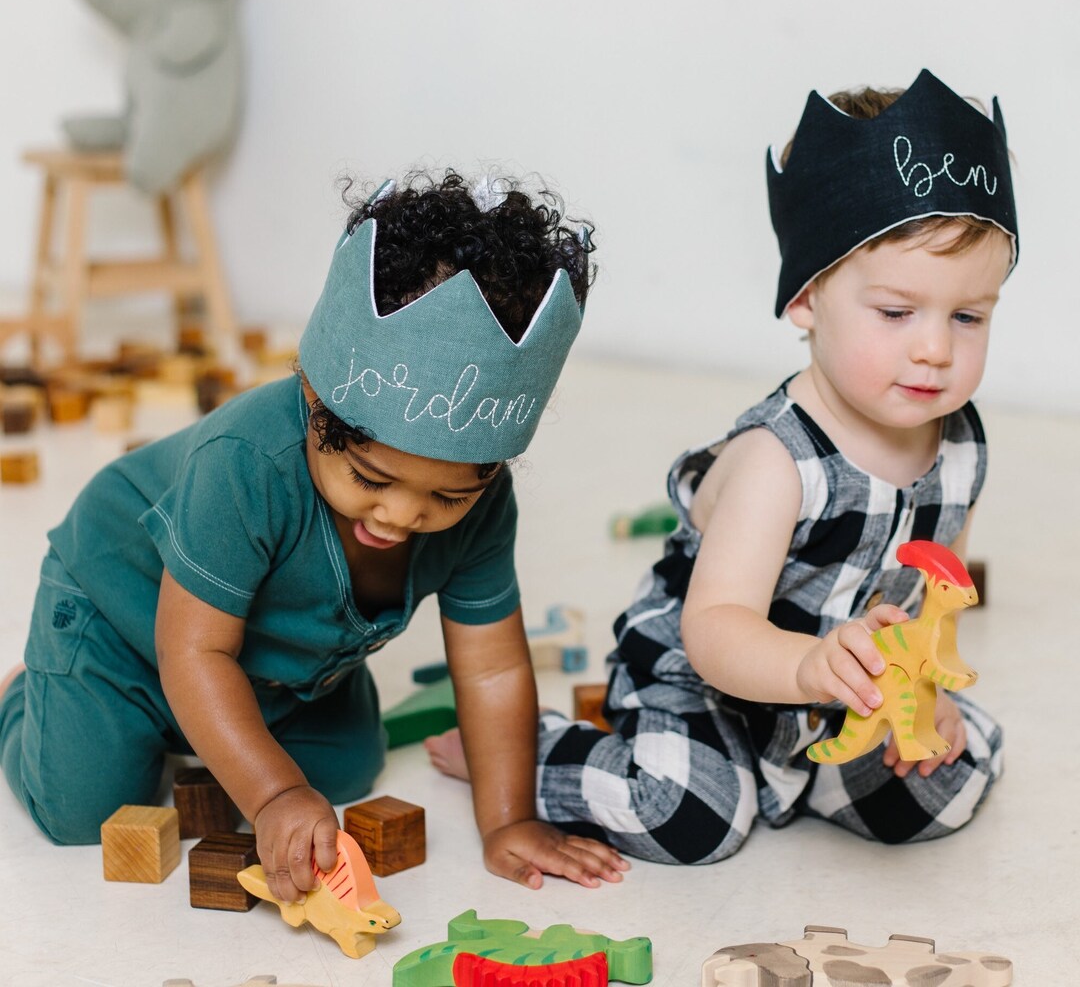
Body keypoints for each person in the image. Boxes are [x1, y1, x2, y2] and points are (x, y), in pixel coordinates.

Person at [428, 70, 1016, 864]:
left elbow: (929, 605)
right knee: (692, 819)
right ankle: (531, 752)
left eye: (968, 316)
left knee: (945, 783)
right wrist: (807, 666)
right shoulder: (779, 458)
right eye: (896, 312)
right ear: (807, 297)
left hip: (840, 687)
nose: (935, 349)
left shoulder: (962, 446)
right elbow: (715, 630)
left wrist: (924, 694)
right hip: (710, 679)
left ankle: (807, 773)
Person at [0, 170, 630, 896]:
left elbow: (492, 670)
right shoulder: (245, 462)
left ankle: (201, 723)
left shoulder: (486, 504)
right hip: (124, 626)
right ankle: (29, 694)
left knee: (344, 773)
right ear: (313, 396)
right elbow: (192, 649)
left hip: (267, 668)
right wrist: (271, 795)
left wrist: (509, 820)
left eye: (447, 496)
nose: (401, 516)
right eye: (370, 478)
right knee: (84, 813)